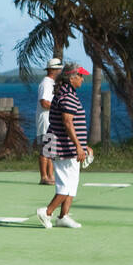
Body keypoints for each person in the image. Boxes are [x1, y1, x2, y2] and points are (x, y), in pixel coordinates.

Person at [37, 63, 91, 229]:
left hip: (66, 145)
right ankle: (47, 212)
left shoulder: (67, 93)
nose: (82, 79)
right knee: (65, 185)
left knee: (72, 183)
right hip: (62, 145)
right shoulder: (67, 96)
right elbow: (68, 123)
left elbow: (74, 123)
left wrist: (83, 145)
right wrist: (79, 147)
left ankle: (63, 216)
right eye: (80, 76)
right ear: (72, 77)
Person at [36, 57, 62, 185]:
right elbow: (44, 102)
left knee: (51, 151)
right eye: (58, 68)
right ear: (52, 70)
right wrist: (58, 106)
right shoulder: (46, 83)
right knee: (46, 150)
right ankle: (44, 176)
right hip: (45, 121)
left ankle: (50, 175)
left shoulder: (51, 83)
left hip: (50, 121)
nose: (60, 71)